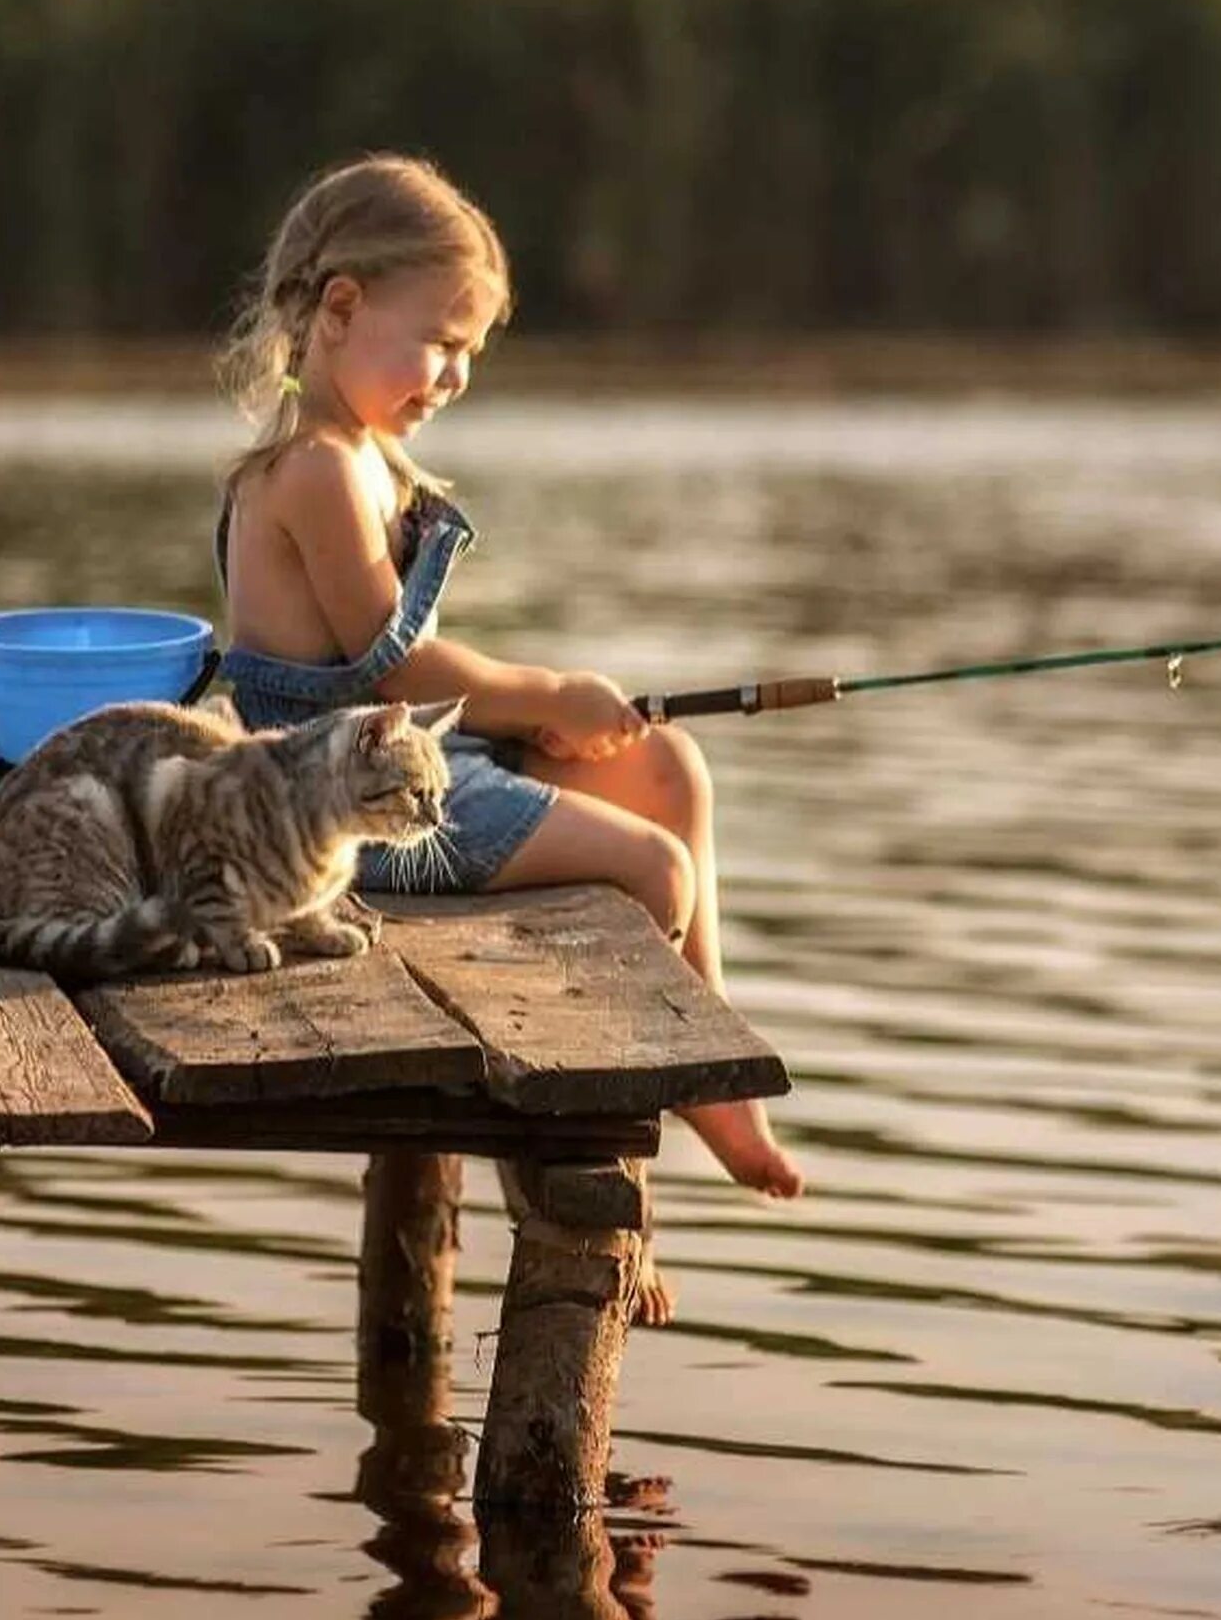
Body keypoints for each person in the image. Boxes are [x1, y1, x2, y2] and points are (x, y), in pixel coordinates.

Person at [215, 154, 802, 1202]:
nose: (455, 377)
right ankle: (585, 1150)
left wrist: (550, 714)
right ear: (342, 307)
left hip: (404, 755)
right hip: (352, 815)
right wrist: (550, 694)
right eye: (441, 343)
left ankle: (716, 1078)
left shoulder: (359, 449)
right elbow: (393, 663)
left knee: (667, 768)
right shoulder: (312, 469)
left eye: (470, 352)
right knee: (657, 872)